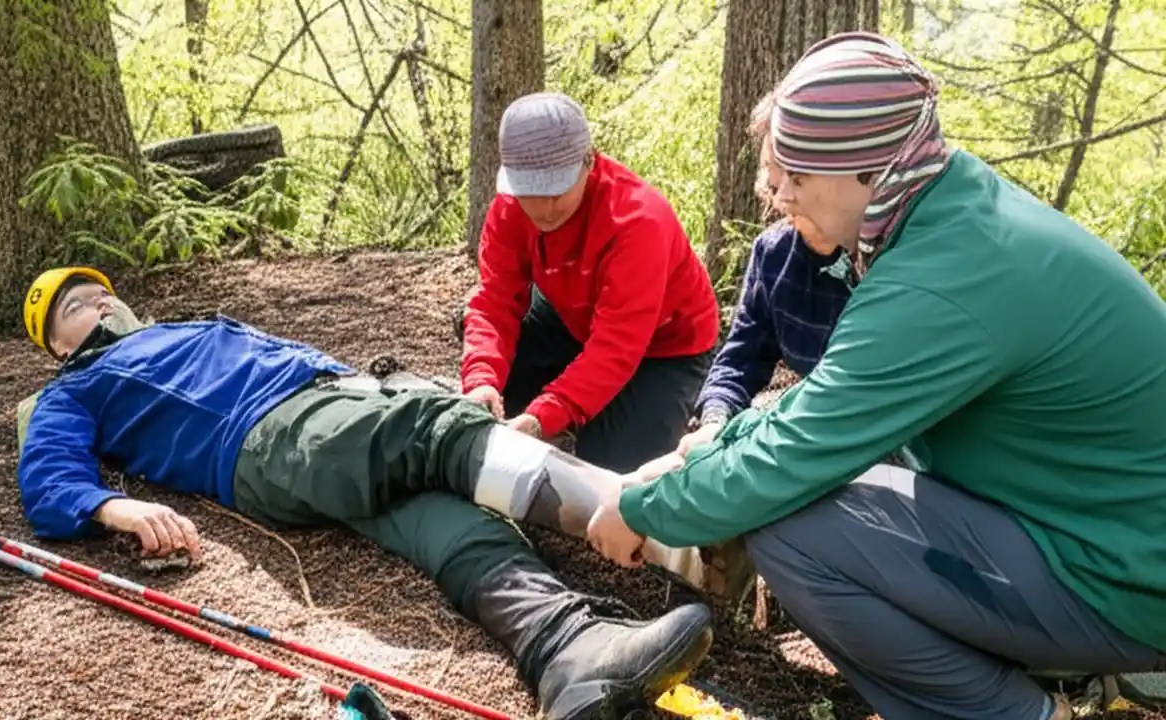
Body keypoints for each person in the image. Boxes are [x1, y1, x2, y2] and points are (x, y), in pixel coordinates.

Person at [588, 32, 1166, 720]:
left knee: (789, 528)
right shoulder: (956, 212)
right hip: (1096, 534)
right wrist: (705, 448)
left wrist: (641, 510)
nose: (781, 198)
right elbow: (834, 398)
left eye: (798, 177)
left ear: (867, 171)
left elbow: (798, 456)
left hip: (1121, 576)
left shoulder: (939, 280)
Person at [12, 266, 716, 720]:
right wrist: (113, 506)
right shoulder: (74, 386)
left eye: (103, 289)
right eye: (77, 305)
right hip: (273, 435)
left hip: (329, 418)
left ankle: (569, 651)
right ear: (57, 346)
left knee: (449, 523)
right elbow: (45, 478)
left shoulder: (174, 330)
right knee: (430, 431)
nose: (101, 300)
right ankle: (678, 532)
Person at [459, 91, 719, 473]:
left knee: (613, 469)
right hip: (571, 317)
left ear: (588, 162)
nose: (544, 209)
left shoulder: (637, 222)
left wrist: (546, 414)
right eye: (531, 191)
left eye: (557, 189)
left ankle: (620, 406)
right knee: (488, 397)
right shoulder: (510, 208)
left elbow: (617, 345)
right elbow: (495, 301)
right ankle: (572, 397)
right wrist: (481, 379)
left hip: (665, 347)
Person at [679, 97, 852, 457]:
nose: (780, 200)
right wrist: (715, 420)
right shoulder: (773, 253)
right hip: (811, 428)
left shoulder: (880, 259)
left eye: (795, 181)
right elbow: (742, 357)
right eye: (772, 185)